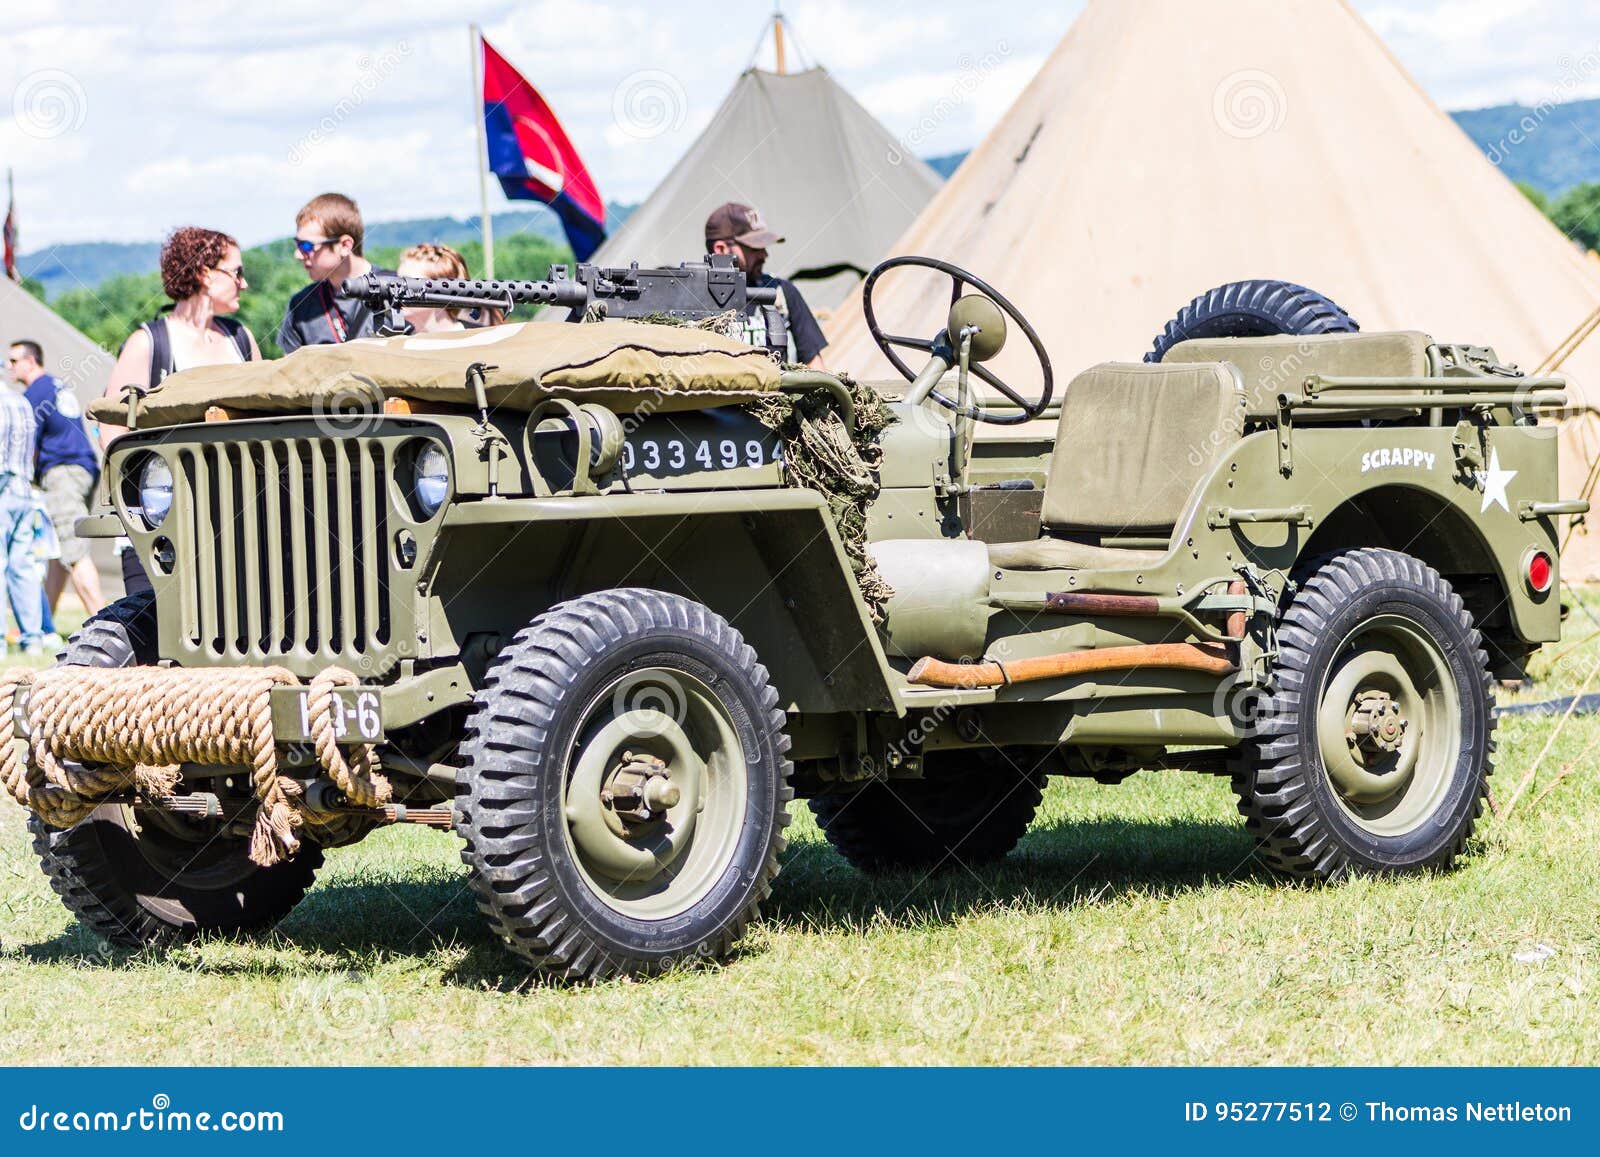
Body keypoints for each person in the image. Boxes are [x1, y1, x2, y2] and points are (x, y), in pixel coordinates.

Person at [102, 226, 261, 594]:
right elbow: (111, 430)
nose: (244, 283)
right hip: (161, 528)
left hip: (239, 523)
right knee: (152, 640)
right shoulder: (149, 343)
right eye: (236, 272)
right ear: (206, 274)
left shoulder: (241, 339)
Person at [7, 339, 103, 618]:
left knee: (74, 550)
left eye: (14, 361)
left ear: (31, 361)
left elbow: (27, 447)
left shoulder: (34, 393)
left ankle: (105, 623)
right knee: (62, 551)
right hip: (82, 469)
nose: (9, 367)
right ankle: (43, 623)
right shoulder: (55, 384)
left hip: (62, 473)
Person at [704, 201, 828, 368]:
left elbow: (814, 363)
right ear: (721, 249)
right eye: (754, 248)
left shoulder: (781, 292)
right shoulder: (688, 299)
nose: (764, 254)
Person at [278, 193, 395, 352]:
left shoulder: (398, 290)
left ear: (345, 246)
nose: (297, 254)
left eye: (306, 246)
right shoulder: (300, 308)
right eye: (297, 244)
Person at [0, 381, 44, 654]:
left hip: (4, 489)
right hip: (24, 489)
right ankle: (34, 640)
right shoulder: (20, 401)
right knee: (22, 566)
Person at [394, 243, 502, 332]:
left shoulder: (477, 340)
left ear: (442, 290)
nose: (395, 289)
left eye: (407, 282)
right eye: (397, 280)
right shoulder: (392, 343)